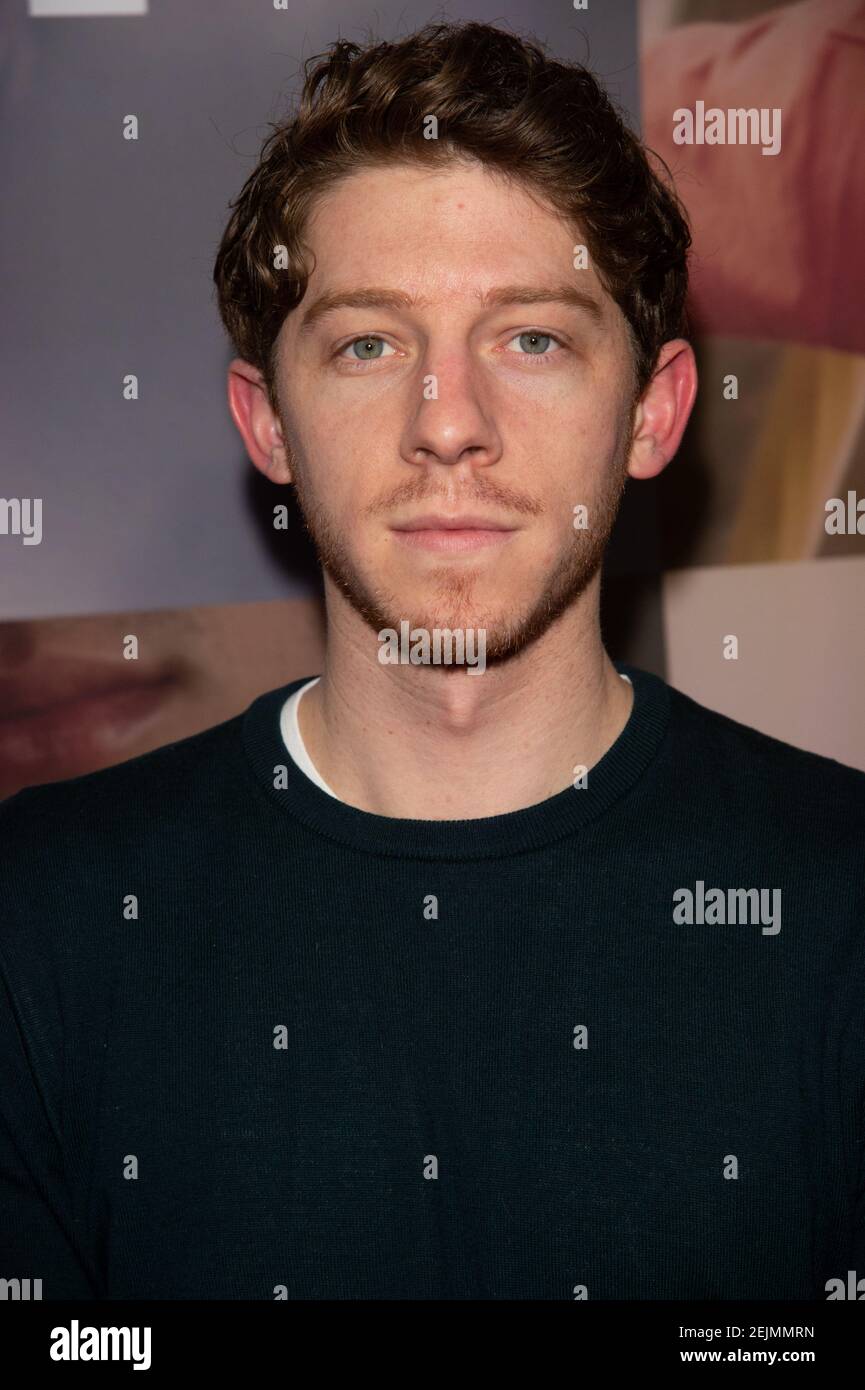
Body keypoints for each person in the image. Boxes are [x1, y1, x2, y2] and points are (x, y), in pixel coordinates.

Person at [0, 19, 862, 1302]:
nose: (447, 422)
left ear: (654, 412)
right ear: (268, 423)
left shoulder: (841, 896)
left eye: (532, 339)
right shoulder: (38, 917)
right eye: (367, 343)